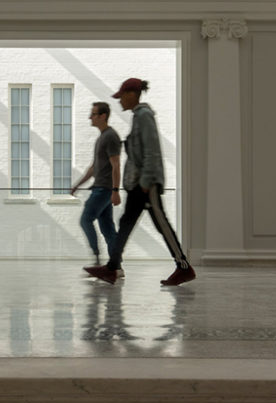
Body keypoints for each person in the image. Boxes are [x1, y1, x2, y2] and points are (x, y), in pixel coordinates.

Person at [84, 78, 195, 287]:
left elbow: (152, 151)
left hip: (146, 184)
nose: (120, 101)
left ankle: (184, 267)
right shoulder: (137, 117)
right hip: (137, 184)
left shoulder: (144, 116)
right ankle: (112, 268)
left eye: (122, 96)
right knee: (125, 224)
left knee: (162, 225)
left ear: (132, 94)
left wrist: (145, 182)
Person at [69, 100, 122, 270]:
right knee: (107, 229)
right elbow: (93, 168)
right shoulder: (102, 138)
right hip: (102, 188)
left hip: (103, 189)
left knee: (86, 220)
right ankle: (116, 267)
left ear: (103, 116)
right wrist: (77, 185)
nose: (90, 117)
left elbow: (116, 165)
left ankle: (97, 258)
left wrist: (115, 191)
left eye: (93, 114)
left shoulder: (111, 136)